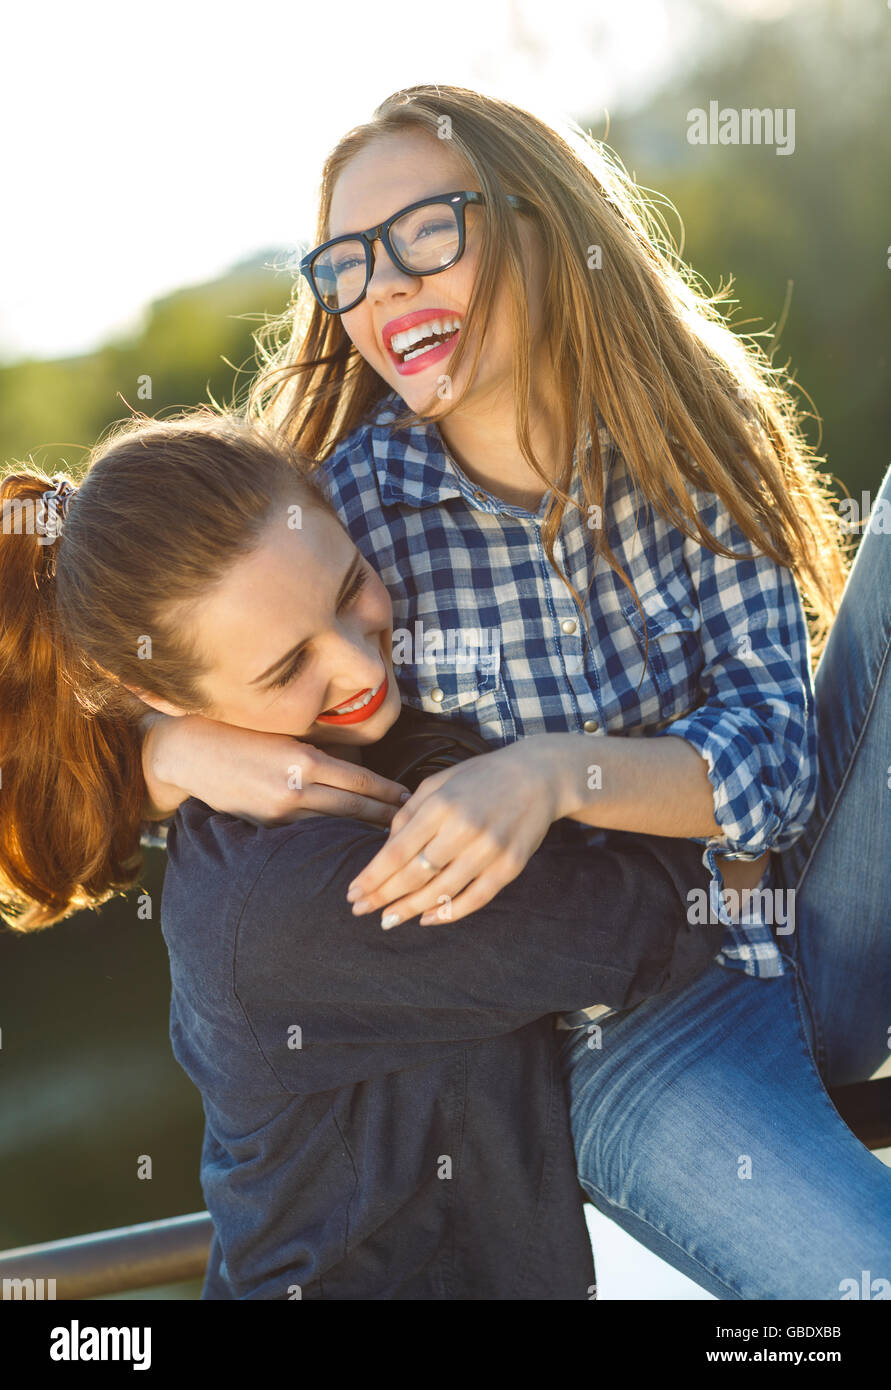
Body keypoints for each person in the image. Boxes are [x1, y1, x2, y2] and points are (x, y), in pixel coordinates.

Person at [141, 85, 891, 1297]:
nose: (383, 288)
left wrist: (553, 773)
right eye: (347, 265)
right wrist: (163, 743)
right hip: (635, 1026)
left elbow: (780, 759)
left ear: (542, 225)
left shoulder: (698, 435)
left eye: (426, 236)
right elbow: (139, 627)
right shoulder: (346, 518)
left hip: (824, 930)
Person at [0, 411, 724, 1298]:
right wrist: (570, 774)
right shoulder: (303, 896)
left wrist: (166, 750)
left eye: (349, 590)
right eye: (287, 668)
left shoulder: (323, 767)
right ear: (160, 696)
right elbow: (663, 920)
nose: (358, 668)